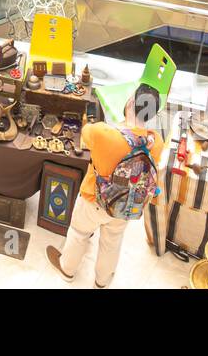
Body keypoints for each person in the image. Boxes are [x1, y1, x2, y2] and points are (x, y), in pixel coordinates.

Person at [46, 83, 164, 287]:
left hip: (95, 198)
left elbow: (85, 132)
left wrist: (119, 124)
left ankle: (67, 269)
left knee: (79, 232)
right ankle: (101, 281)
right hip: (126, 205)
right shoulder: (157, 142)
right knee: (112, 242)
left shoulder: (104, 134)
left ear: (131, 102)